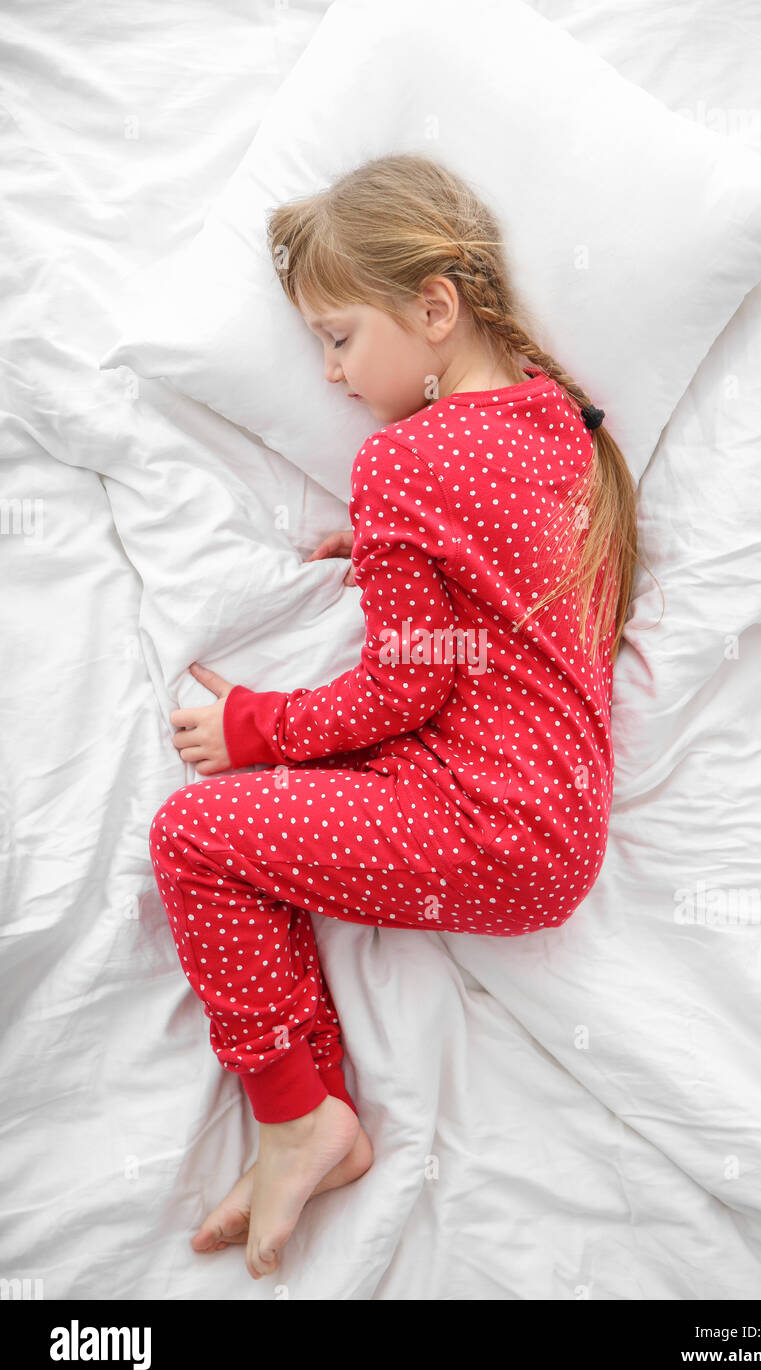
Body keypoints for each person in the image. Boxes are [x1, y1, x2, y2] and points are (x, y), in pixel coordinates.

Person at [148, 153, 641, 1281]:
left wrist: (254, 731)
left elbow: (402, 691)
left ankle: (296, 1115)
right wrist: (383, 553)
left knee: (193, 839)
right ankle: (308, 1119)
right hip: (546, 823)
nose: (325, 372)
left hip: (489, 828)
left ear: (432, 308)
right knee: (234, 848)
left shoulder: (404, 459)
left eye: (335, 337)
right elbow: (490, 583)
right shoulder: (557, 422)